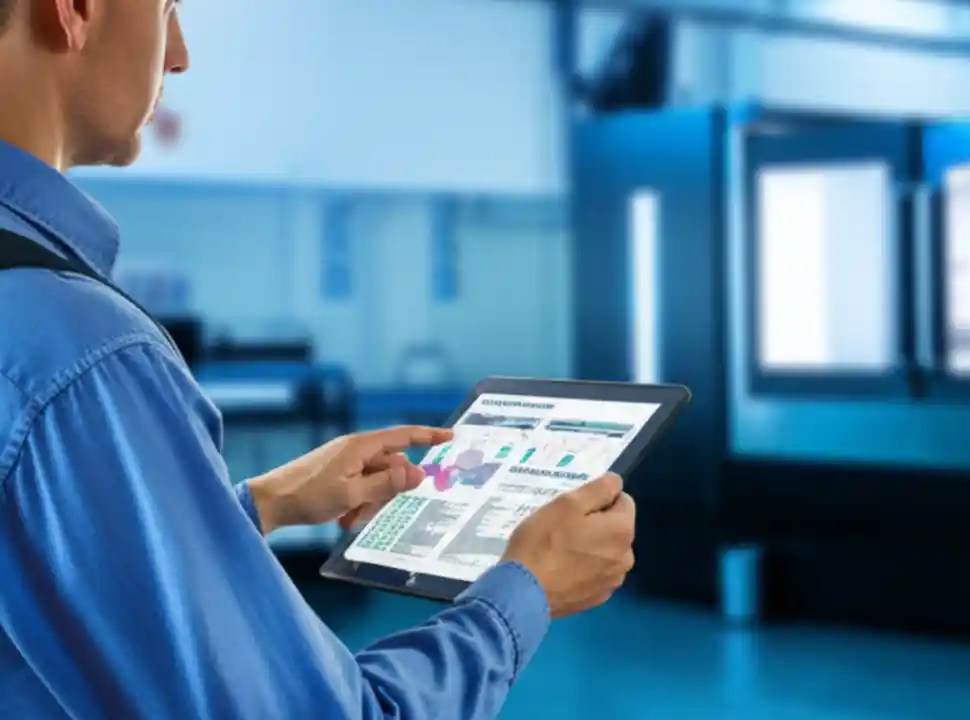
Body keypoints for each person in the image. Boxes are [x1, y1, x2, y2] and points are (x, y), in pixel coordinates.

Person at [0, 1, 636, 718]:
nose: (178, 54)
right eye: (167, 7)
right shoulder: (83, 354)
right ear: (75, 9)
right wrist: (523, 592)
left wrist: (260, 505)